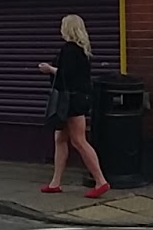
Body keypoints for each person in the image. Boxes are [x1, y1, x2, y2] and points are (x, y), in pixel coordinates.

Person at [37, 14, 111, 198]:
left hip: (71, 101)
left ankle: (101, 181)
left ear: (67, 28)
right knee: (60, 139)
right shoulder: (83, 50)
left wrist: (49, 69)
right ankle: (55, 182)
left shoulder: (70, 49)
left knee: (79, 140)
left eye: (63, 25)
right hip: (78, 99)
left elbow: (66, 74)